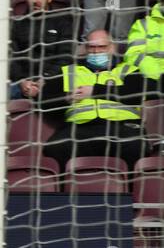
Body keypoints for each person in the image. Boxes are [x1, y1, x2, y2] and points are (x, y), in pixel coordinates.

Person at [44, 29, 146, 170]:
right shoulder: (70, 71)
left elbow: (136, 94)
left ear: (112, 48)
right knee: (55, 147)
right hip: (79, 129)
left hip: (121, 128)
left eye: (101, 47)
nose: (96, 51)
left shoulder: (129, 70)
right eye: (92, 47)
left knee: (137, 145)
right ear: (85, 49)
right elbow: (44, 101)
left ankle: (127, 190)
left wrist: (94, 91)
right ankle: (69, 190)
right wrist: (65, 98)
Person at [9, 0, 77, 103]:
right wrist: (22, 81)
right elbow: (12, 56)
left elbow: (65, 57)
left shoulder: (62, 22)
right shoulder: (16, 24)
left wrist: (45, 79)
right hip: (22, 82)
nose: (34, 1)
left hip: (52, 81)